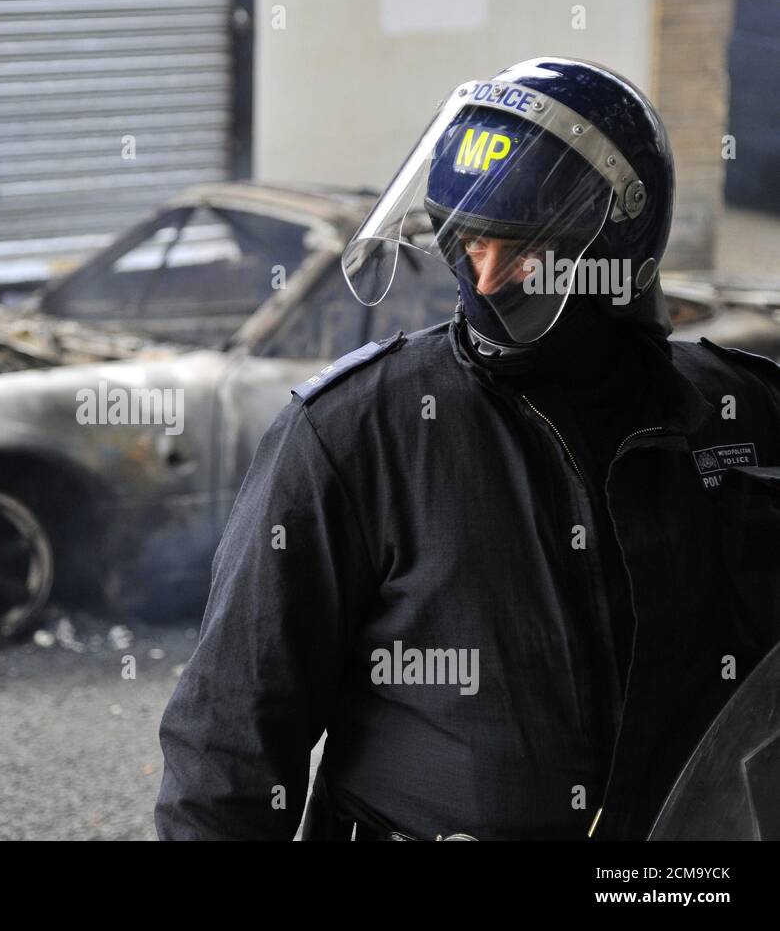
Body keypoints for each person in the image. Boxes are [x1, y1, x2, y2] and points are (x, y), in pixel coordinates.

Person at [155, 57, 780, 841]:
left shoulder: (741, 416)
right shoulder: (355, 434)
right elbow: (227, 748)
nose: (483, 279)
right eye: (462, 239)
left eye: (522, 249)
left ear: (619, 247)